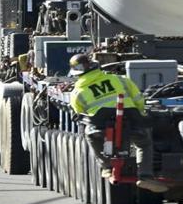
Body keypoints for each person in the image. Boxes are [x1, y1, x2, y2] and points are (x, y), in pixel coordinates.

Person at [67, 53, 164, 192]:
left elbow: (80, 114)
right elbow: (139, 100)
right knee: (144, 142)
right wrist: (141, 114)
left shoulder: (77, 92)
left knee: (90, 134)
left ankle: (106, 167)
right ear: (95, 66)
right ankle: (145, 176)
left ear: (76, 73)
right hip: (131, 122)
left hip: (101, 128)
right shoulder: (121, 80)